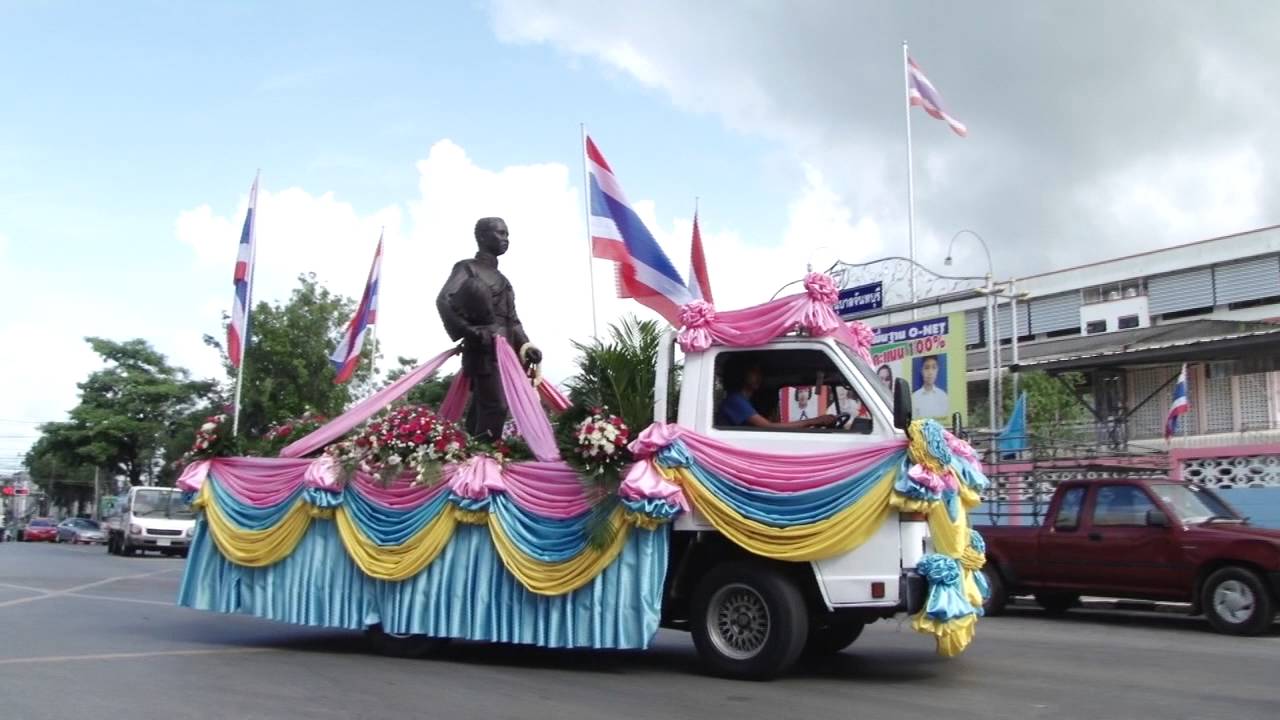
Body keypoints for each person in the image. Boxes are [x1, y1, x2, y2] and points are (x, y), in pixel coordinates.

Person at [436, 217, 542, 440]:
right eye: (500, 233)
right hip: (483, 349)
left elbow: (512, 320)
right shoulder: (467, 267)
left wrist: (527, 345)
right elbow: (444, 300)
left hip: (507, 353)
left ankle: (473, 455)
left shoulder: (504, 280)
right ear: (483, 237)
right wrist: (469, 330)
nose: (506, 239)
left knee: (483, 407)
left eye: (507, 234)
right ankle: (484, 462)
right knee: (497, 406)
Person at [719, 357, 836, 429]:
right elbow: (767, 426)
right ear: (741, 374)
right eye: (754, 371)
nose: (759, 376)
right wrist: (815, 421)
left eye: (760, 372)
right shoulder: (735, 400)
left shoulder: (745, 400)